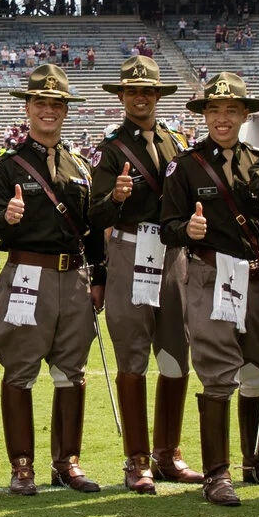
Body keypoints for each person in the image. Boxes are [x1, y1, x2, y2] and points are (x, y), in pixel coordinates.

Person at [158, 71, 259, 506]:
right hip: (210, 276)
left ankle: (256, 459)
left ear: (245, 114)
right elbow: (166, 227)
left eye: (231, 110)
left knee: (257, 367)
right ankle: (217, 472)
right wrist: (187, 230)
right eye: (214, 110)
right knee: (216, 371)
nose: (222, 119)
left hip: (255, 277)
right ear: (204, 115)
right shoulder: (187, 166)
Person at [0, 62, 106, 495]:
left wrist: (100, 278)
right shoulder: (7, 167)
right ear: (28, 108)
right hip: (26, 274)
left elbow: (90, 229)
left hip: (73, 277)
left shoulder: (80, 167)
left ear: (65, 110)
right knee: (20, 369)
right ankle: (22, 467)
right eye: (40, 103)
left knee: (71, 370)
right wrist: (7, 217)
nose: (47, 111)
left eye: (55, 104)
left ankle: (67, 463)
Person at [88, 55, 191, 492]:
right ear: (123, 97)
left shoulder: (176, 143)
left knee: (175, 355)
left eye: (147, 90)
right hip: (130, 253)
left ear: (157, 96)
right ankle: (136, 459)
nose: (140, 97)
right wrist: (115, 197)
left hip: (172, 256)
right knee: (132, 356)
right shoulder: (110, 150)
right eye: (132, 91)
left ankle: (168, 454)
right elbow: (92, 214)